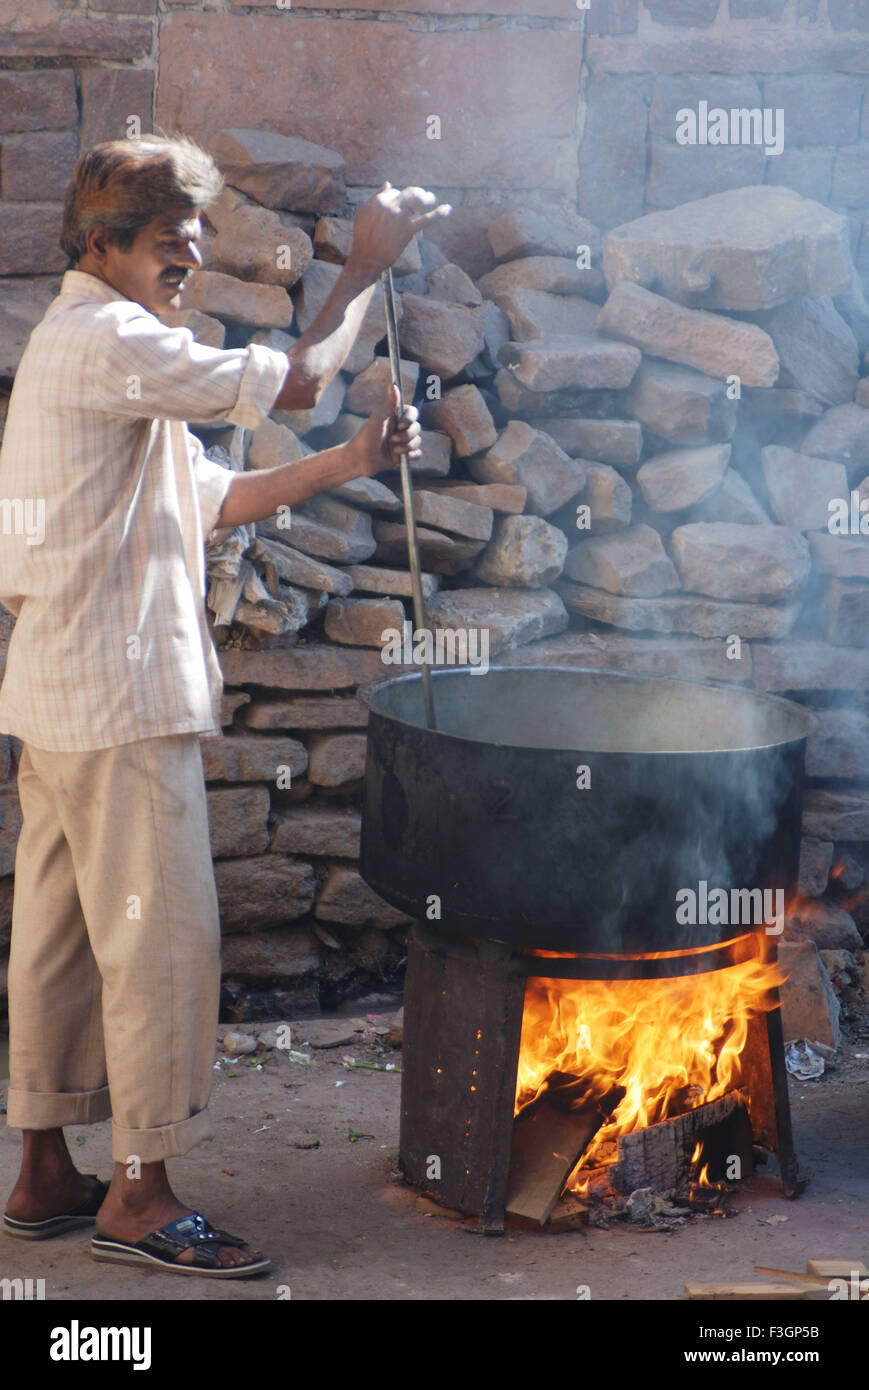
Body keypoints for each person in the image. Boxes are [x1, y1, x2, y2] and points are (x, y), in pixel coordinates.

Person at [0, 133, 450, 1278]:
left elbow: (209, 496)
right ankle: (142, 1195)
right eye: (165, 246)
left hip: (62, 698)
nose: (183, 265)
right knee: (159, 949)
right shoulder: (108, 338)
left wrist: (348, 462)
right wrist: (362, 267)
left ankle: (46, 1168)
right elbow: (289, 381)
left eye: (192, 248)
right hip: (122, 698)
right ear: (99, 244)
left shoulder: (87, 347)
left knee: (57, 937)